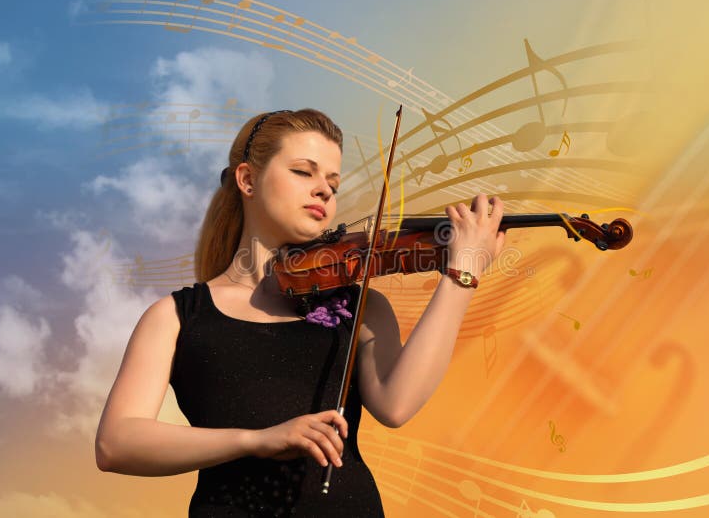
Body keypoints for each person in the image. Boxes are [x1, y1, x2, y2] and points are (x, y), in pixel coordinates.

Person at [95, 108, 505, 517]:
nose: (324, 191)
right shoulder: (176, 315)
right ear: (247, 179)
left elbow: (397, 404)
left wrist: (460, 275)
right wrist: (257, 440)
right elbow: (116, 443)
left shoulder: (357, 304)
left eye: (333, 182)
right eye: (303, 172)